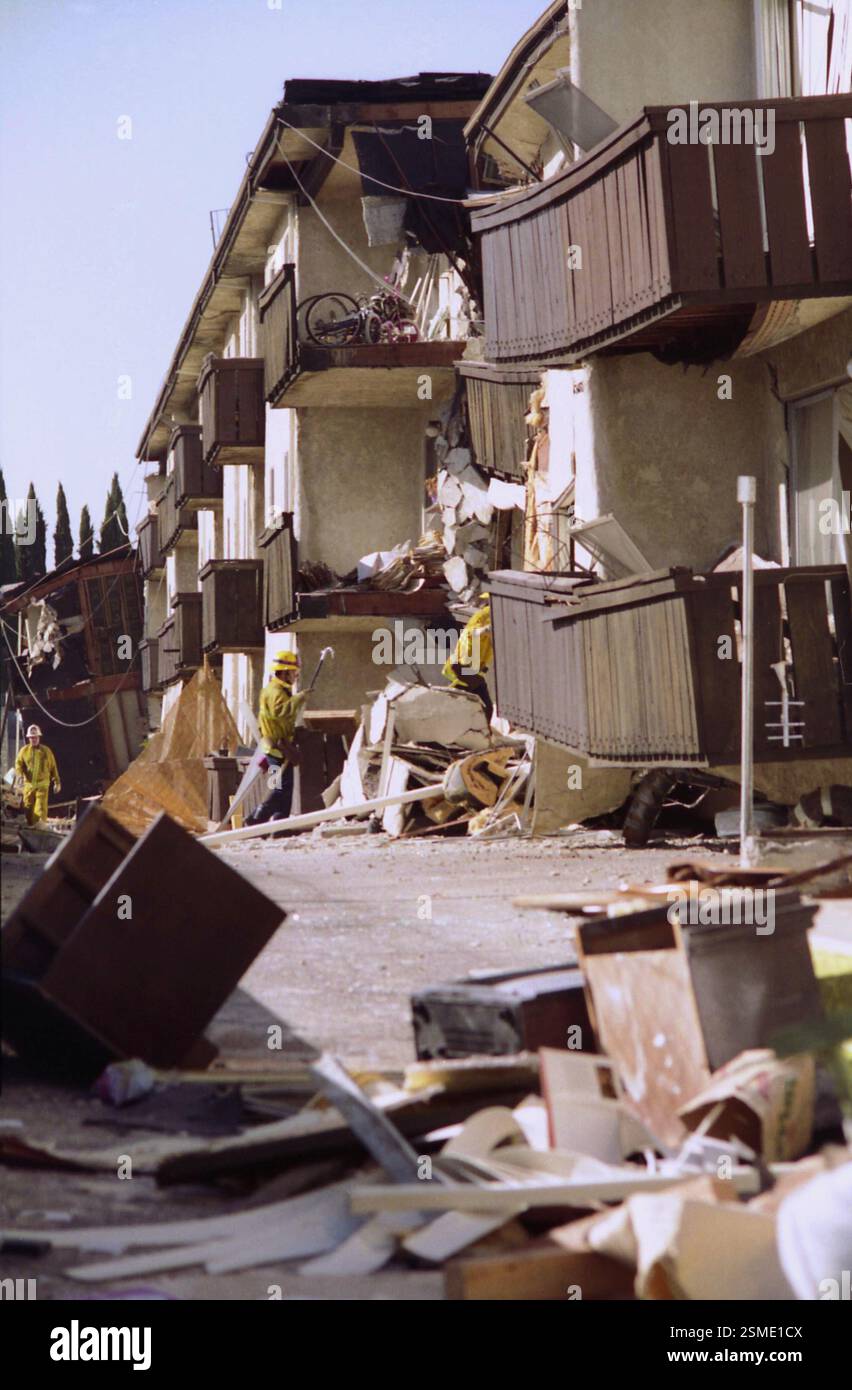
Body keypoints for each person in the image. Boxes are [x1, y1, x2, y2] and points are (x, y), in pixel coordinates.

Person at [245, 650, 308, 826]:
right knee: (279, 789)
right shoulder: (276, 692)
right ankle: (256, 818)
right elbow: (280, 712)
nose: (295, 676)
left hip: (275, 748)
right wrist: (299, 699)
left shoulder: (274, 689)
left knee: (282, 788)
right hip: (277, 750)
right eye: (293, 673)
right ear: (284, 672)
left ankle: (280, 824)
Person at [442, 593, 494, 721]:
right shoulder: (485, 614)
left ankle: (483, 736)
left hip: (472, 669)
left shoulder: (499, 616)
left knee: (484, 706)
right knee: (484, 705)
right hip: (463, 665)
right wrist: (485, 630)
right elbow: (471, 632)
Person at [15, 723, 61, 826]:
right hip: (29, 788)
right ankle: (29, 831)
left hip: (42, 788)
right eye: (31, 738)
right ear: (29, 738)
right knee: (28, 811)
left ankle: (39, 831)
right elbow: (18, 764)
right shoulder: (24, 751)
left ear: (39, 737)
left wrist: (57, 783)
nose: (34, 739)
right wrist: (19, 775)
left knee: (39, 811)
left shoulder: (46, 752)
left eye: (35, 737)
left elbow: (53, 768)